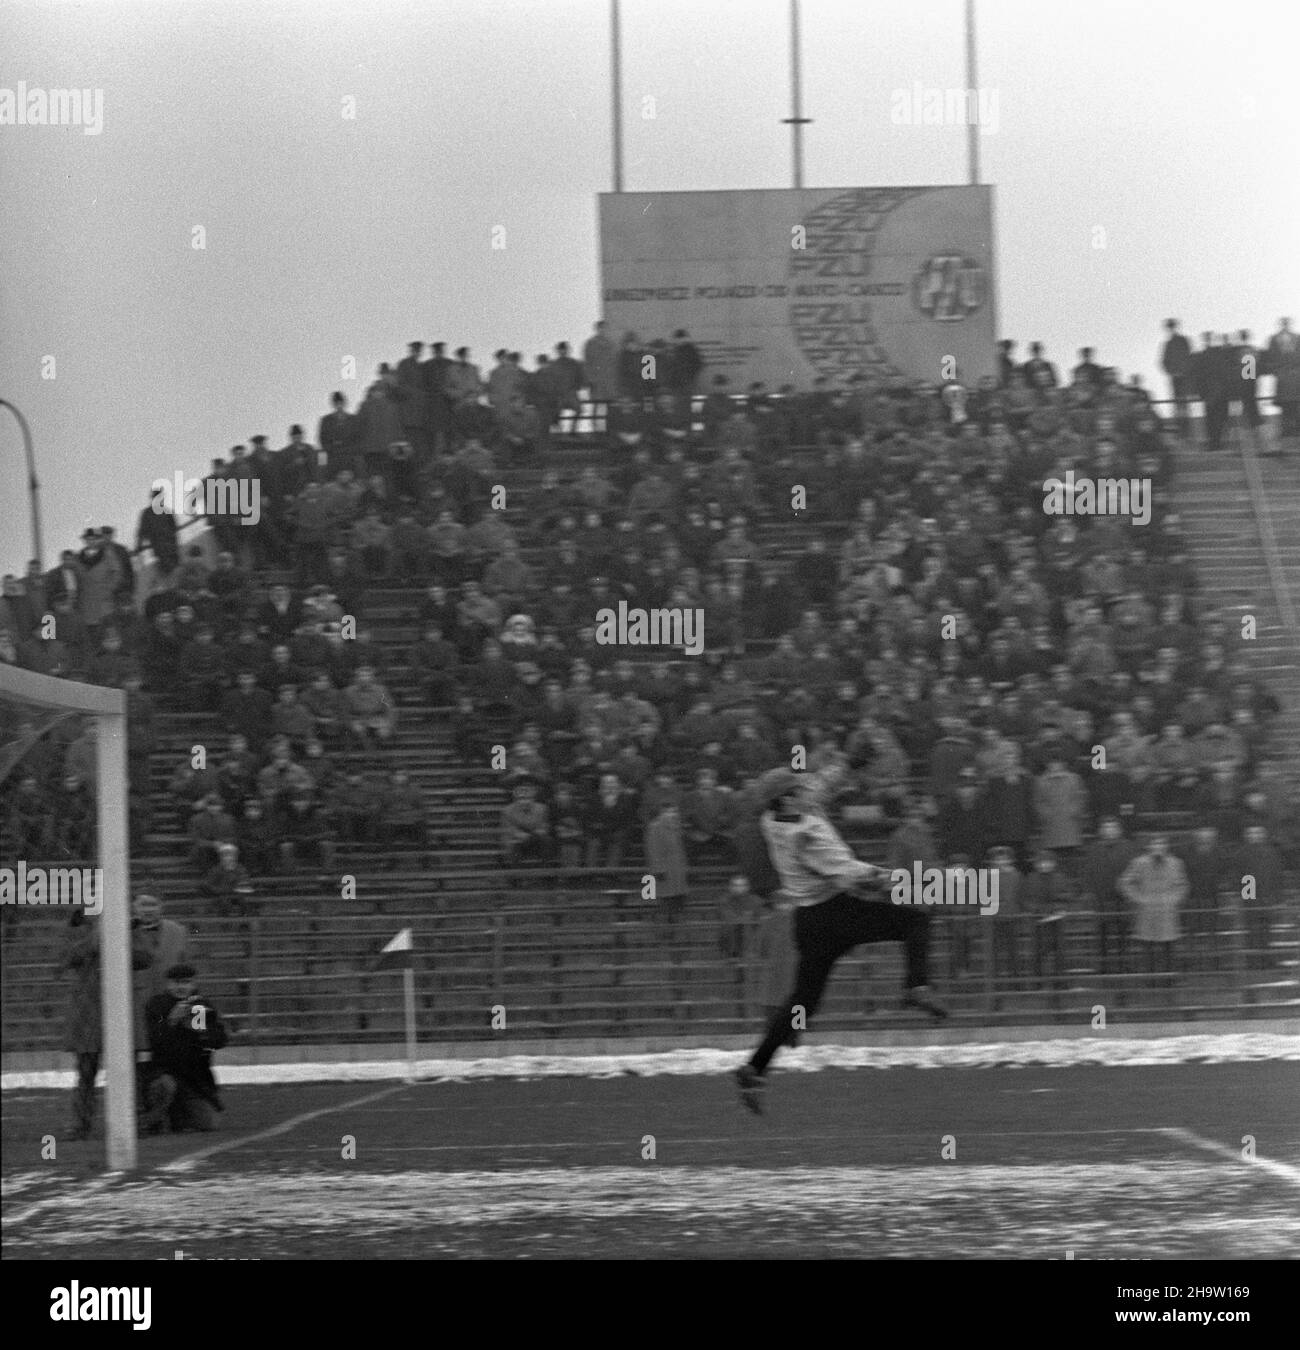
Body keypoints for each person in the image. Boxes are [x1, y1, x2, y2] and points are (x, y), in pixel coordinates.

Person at [735, 761, 946, 1115]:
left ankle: (755, 1069)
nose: (806, 792)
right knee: (915, 919)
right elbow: (850, 875)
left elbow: (814, 792)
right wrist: (905, 881)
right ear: (787, 801)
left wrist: (843, 768)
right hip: (835, 914)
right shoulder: (806, 836)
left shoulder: (773, 820)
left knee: (803, 1003)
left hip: (808, 923)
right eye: (798, 791)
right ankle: (915, 986)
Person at [62, 911, 152, 1140]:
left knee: (127, 1071)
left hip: (121, 1008)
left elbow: (145, 958)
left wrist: (119, 939)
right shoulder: (77, 922)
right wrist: (95, 936)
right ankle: (79, 1125)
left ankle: (132, 1121)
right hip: (89, 1012)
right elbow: (67, 956)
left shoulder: (130, 922)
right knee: (86, 1072)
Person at [142, 963, 228, 1133]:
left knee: (208, 1123)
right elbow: (155, 1040)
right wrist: (172, 1021)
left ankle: (177, 1116)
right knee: (164, 1086)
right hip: (165, 1072)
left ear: (194, 984)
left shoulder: (201, 1006)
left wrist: (202, 1032)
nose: (181, 987)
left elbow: (218, 1040)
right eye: (176, 982)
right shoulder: (157, 1005)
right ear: (168, 984)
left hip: (194, 1077)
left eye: (186, 982)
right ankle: (152, 1118)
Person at [1159, 319, 1192, 433]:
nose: (1171, 329)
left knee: (1184, 404)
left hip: (1184, 378)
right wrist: (1172, 372)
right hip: (1175, 378)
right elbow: (1163, 362)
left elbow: (1189, 358)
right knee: (1178, 404)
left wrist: (1183, 371)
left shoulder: (1184, 341)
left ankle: (1186, 430)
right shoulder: (1168, 344)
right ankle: (1181, 429)